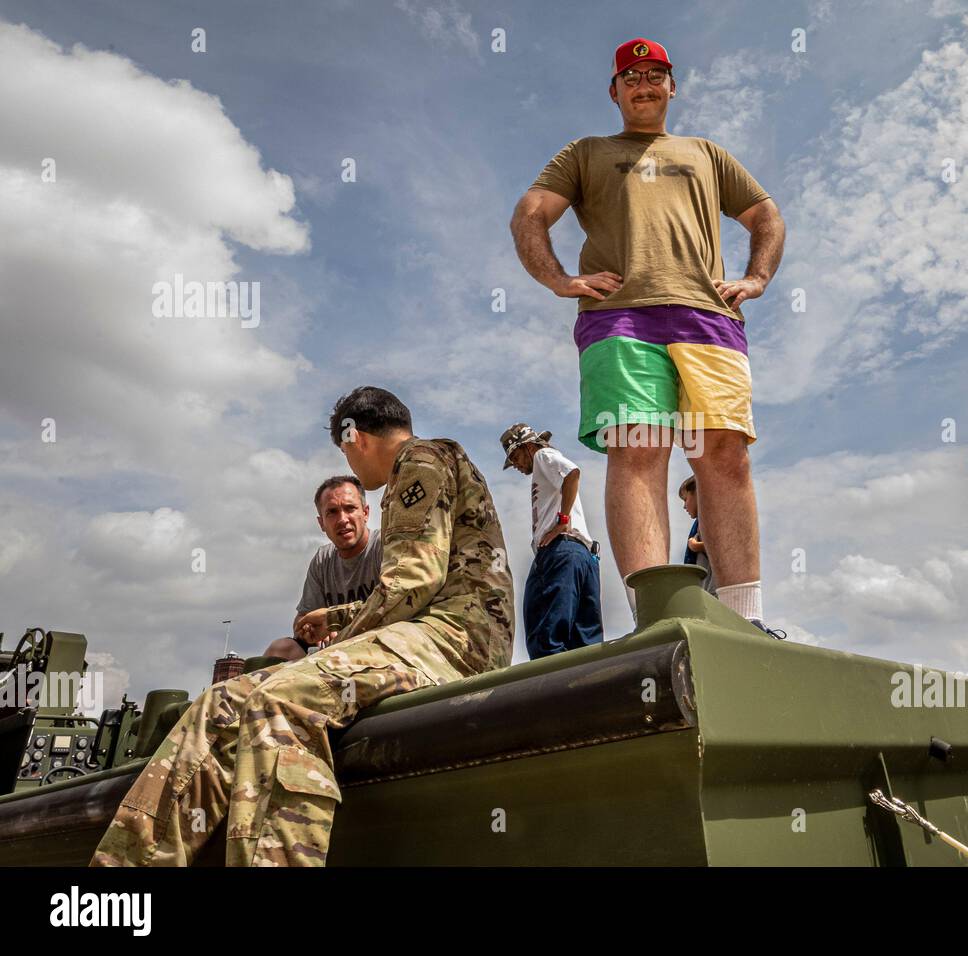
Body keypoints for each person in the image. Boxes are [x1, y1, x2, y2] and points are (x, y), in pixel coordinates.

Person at [91, 386, 514, 866]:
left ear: (354, 438)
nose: (352, 474)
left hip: (454, 640)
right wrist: (334, 621)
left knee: (281, 701)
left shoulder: (420, 460)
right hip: (422, 633)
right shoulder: (419, 467)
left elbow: (412, 582)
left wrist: (336, 630)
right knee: (221, 702)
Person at [510, 36, 786, 638]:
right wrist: (559, 279)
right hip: (620, 318)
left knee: (725, 456)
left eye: (655, 75)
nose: (643, 84)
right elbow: (530, 212)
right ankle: (657, 621)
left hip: (707, 317)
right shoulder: (586, 152)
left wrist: (757, 276)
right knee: (640, 451)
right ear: (614, 90)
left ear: (671, 86)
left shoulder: (706, 152)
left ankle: (747, 623)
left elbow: (765, 214)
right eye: (630, 77)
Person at [501, 422, 603, 659]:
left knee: (545, 636)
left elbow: (572, 473)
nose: (515, 465)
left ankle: (552, 694)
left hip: (560, 552)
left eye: (514, 457)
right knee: (585, 642)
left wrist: (562, 520)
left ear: (526, 447)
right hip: (584, 555)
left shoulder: (542, 457)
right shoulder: (543, 469)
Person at [263, 475, 383, 661]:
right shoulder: (322, 559)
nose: (343, 519)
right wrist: (310, 630)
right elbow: (303, 620)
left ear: (366, 513)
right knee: (280, 648)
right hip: (331, 655)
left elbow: (397, 606)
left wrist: (334, 622)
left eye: (350, 508)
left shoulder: (384, 546)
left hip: (381, 648)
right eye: (332, 512)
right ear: (321, 523)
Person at [679, 475, 714, 595]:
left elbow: (724, 547)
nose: (684, 506)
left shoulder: (710, 519)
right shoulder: (701, 522)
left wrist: (696, 546)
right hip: (706, 589)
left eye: (685, 499)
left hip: (714, 589)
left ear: (699, 493)